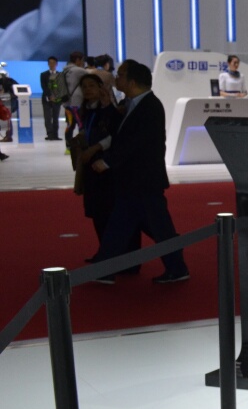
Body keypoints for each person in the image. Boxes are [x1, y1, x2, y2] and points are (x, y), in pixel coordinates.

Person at [89, 60, 190, 284]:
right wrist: (108, 107)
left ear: (132, 81)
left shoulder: (150, 107)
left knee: (156, 227)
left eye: (121, 75)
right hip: (135, 181)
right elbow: (123, 132)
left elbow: (136, 143)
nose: (116, 78)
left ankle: (176, 268)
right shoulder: (133, 104)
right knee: (123, 225)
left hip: (144, 180)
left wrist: (108, 162)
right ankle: (105, 269)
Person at [72, 74, 128, 257]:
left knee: (106, 211)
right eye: (84, 86)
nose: (88, 90)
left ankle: (111, 252)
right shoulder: (85, 110)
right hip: (90, 164)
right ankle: (103, 250)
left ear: (101, 88)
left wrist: (95, 147)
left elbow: (115, 135)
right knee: (95, 211)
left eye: (91, 86)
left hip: (104, 164)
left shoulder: (109, 110)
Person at [62, 50, 89, 143]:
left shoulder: (65, 70)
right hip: (77, 103)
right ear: (77, 60)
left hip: (66, 103)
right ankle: (82, 143)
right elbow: (91, 77)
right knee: (81, 124)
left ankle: (68, 145)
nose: (82, 63)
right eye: (82, 60)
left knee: (69, 125)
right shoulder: (79, 71)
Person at [40, 56, 63, 140]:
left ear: (56, 64)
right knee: (48, 117)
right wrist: (50, 95)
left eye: (53, 62)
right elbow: (44, 86)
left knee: (56, 117)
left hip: (57, 99)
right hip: (47, 99)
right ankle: (49, 134)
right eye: (50, 63)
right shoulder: (43, 74)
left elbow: (61, 87)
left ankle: (55, 135)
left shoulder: (60, 74)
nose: (51, 64)